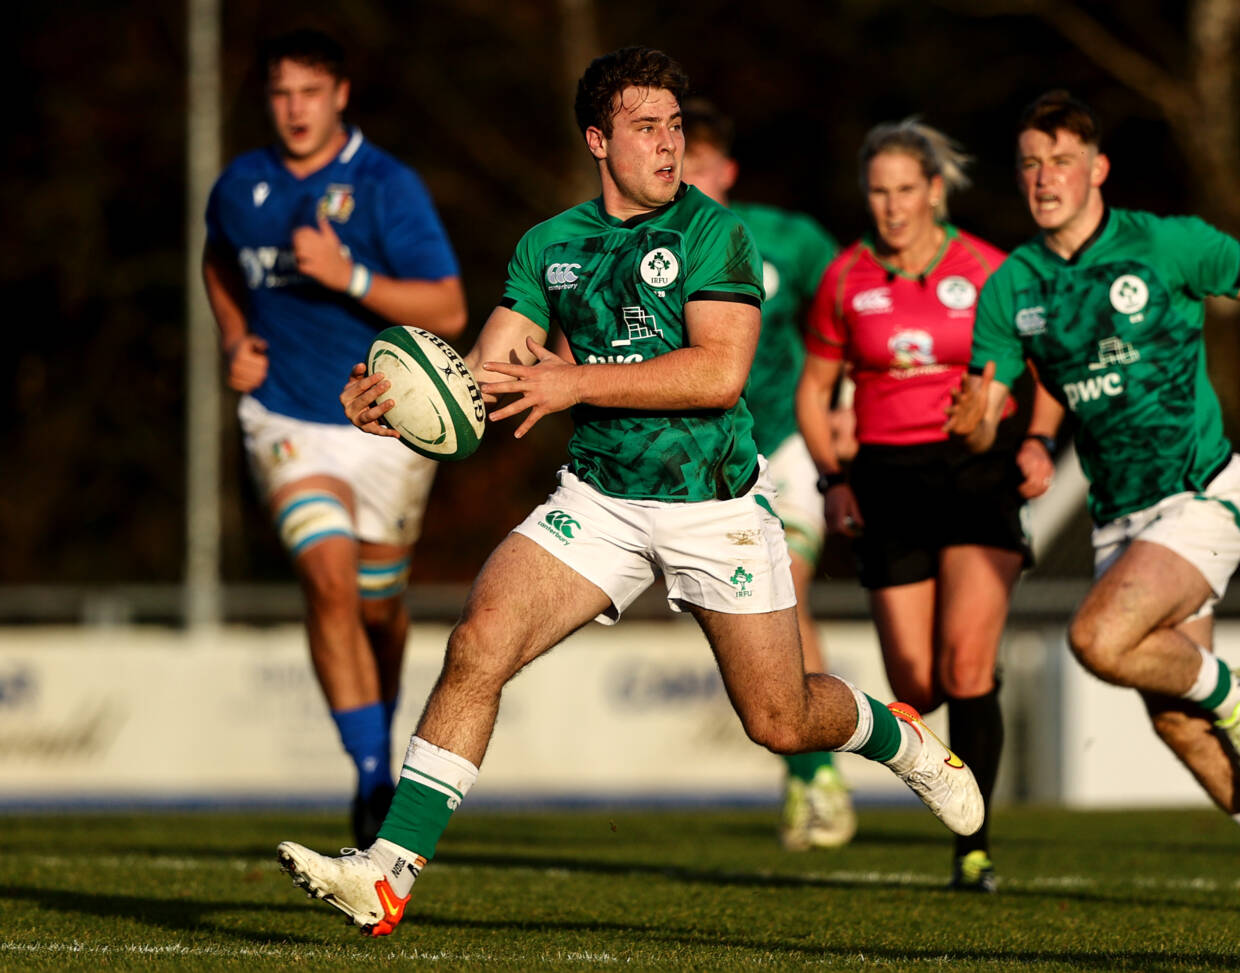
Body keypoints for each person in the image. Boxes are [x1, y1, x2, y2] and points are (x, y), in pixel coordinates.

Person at [275, 47, 983, 937]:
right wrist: (401, 402)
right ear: (599, 140)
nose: (668, 144)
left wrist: (574, 383)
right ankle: (388, 871)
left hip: (714, 505)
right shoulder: (550, 244)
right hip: (600, 500)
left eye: (676, 126)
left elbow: (720, 373)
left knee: (782, 717)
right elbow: (490, 370)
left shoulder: (713, 232)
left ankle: (902, 738)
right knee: (479, 641)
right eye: (646, 127)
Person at [948, 91, 1240, 920]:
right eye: (1031, 165)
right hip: (1122, 517)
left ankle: (1236, 689)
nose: (1045, 179)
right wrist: (989, 430)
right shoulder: (1014, 285)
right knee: (1176, 724)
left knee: (1096, 638)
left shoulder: (1165, 242)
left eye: (1062, 162)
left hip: (1202, 492)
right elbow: (993, 411)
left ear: (1098, 170)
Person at [201, 28, 466, 846]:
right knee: (328, 579)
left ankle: (377, 748)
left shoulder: (386, 186)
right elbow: (218, 261)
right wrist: (232, 337)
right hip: (284, 416)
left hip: (383, 425)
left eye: (310, 93)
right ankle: (367, 779)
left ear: (340, 94)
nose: (295, 110)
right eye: (281, 93)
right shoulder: (240, 184)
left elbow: (451, 310)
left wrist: (347, 275)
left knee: (380, 608)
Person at [796, 119, 1065, 892]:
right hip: (884, 480)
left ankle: (973, 845)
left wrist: (1037, 440)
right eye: (878, 191)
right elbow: (812, 394)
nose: (891, 206)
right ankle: (964, 724)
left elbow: (1047, 371)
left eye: (906, 189)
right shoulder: (846, 278)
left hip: (976, 476)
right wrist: (832, 479)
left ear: (935, 190)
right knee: (919, 681)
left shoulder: (990, 267)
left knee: (967, 663)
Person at [680, 100, 857, 852]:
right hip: (707, 459)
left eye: (700, 163)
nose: (686, 175)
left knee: (787, 586)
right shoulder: (644, 247)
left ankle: (816, 779)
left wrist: (846, 401)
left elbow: (853, 312)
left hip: (783, 446)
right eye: (676, 160)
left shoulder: (786, 237)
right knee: (745, 613)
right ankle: (807, 764)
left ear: (727, 170)